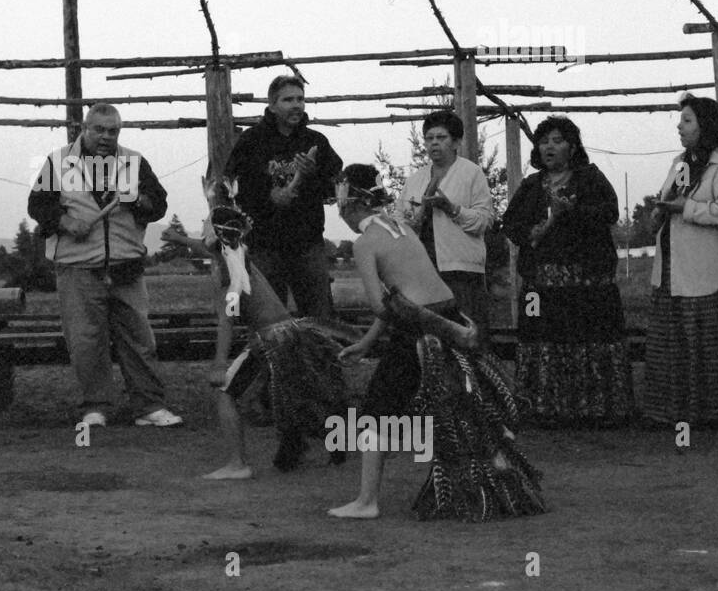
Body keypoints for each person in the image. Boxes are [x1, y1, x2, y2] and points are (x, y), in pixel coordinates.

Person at [329, 165, 545, 521]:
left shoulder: (365, 243)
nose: (339, 214)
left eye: (339, 206)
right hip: (452, 317)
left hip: (419, 329)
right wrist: (367, 342)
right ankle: (504, 483)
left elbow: (381, 305)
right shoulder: (403, 228)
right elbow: (404, 296)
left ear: (350, 204)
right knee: (468, 409)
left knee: (374, 415)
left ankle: (366, 502)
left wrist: (389, 328)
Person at [28, 103, 182, 428]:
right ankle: (95, 407)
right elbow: (37, 205)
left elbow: (159, 205)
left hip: (126, 266)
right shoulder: (59, 162)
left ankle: (149, 407)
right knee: (86, 341)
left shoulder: (134, 162)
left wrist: (138, 200)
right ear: (85, 128)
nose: (106, 137)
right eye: (99, 129)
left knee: (139, 340)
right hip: (77, 268)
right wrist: (66, 222)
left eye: (113, 131)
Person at [190, 178, 351, 479]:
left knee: (226, 392)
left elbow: (227, 318)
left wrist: (219, 364)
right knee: (297, 392)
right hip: (289, 330)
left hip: (270, 337)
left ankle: (237, 464)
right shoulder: (238, 254)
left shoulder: (227, 269)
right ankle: (309, 446)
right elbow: (217, 239)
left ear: (214, 238)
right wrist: (192, 228)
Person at [500, 116, 633, 425]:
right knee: (543, 336)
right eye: (544, 141)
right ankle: (544, 408)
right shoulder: (531, 185)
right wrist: (536, 230)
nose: (549, 146)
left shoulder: (589, 178)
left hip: (587, 280)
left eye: (557, 140)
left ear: (572, 147)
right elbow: (510, 224)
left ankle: (596, 410)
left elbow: (608, 213)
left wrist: (571, 211)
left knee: (588, 336)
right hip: (542, 283)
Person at [642, 95, 718, 427]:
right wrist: (659, 214)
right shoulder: (683, 164)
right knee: (674, 343)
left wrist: (686, 210)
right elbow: (673, 199)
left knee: (709, 345)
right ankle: (674, 414)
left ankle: (714, 415)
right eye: (680, 120)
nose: (679, 127)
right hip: (671, 271)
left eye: (687, 120)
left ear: (705, 125)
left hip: (707, 273)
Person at [224, 74, 343, 316]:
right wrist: (269, 197)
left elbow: (336, 188)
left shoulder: (316, 141)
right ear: (272, 105)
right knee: (270, 319)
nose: (297, 105)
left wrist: (314, 173)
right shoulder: (251, 141)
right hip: (265, 246)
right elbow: (232, 188)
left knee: (319, 316)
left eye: (300, 99)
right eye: (288, 100)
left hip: (308, 244)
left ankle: (319, 354)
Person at [395, 110, 494, 346]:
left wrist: (452, 209)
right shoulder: (416, 178)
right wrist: (409, 222)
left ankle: (476, 383)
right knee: (430, 339)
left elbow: (484, 220)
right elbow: (399, 216)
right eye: (429, 138)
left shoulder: (471, 173)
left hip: (460, 269)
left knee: (467, 335)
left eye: (441, 137)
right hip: (423, 269)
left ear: (456, 142)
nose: (434, 143)